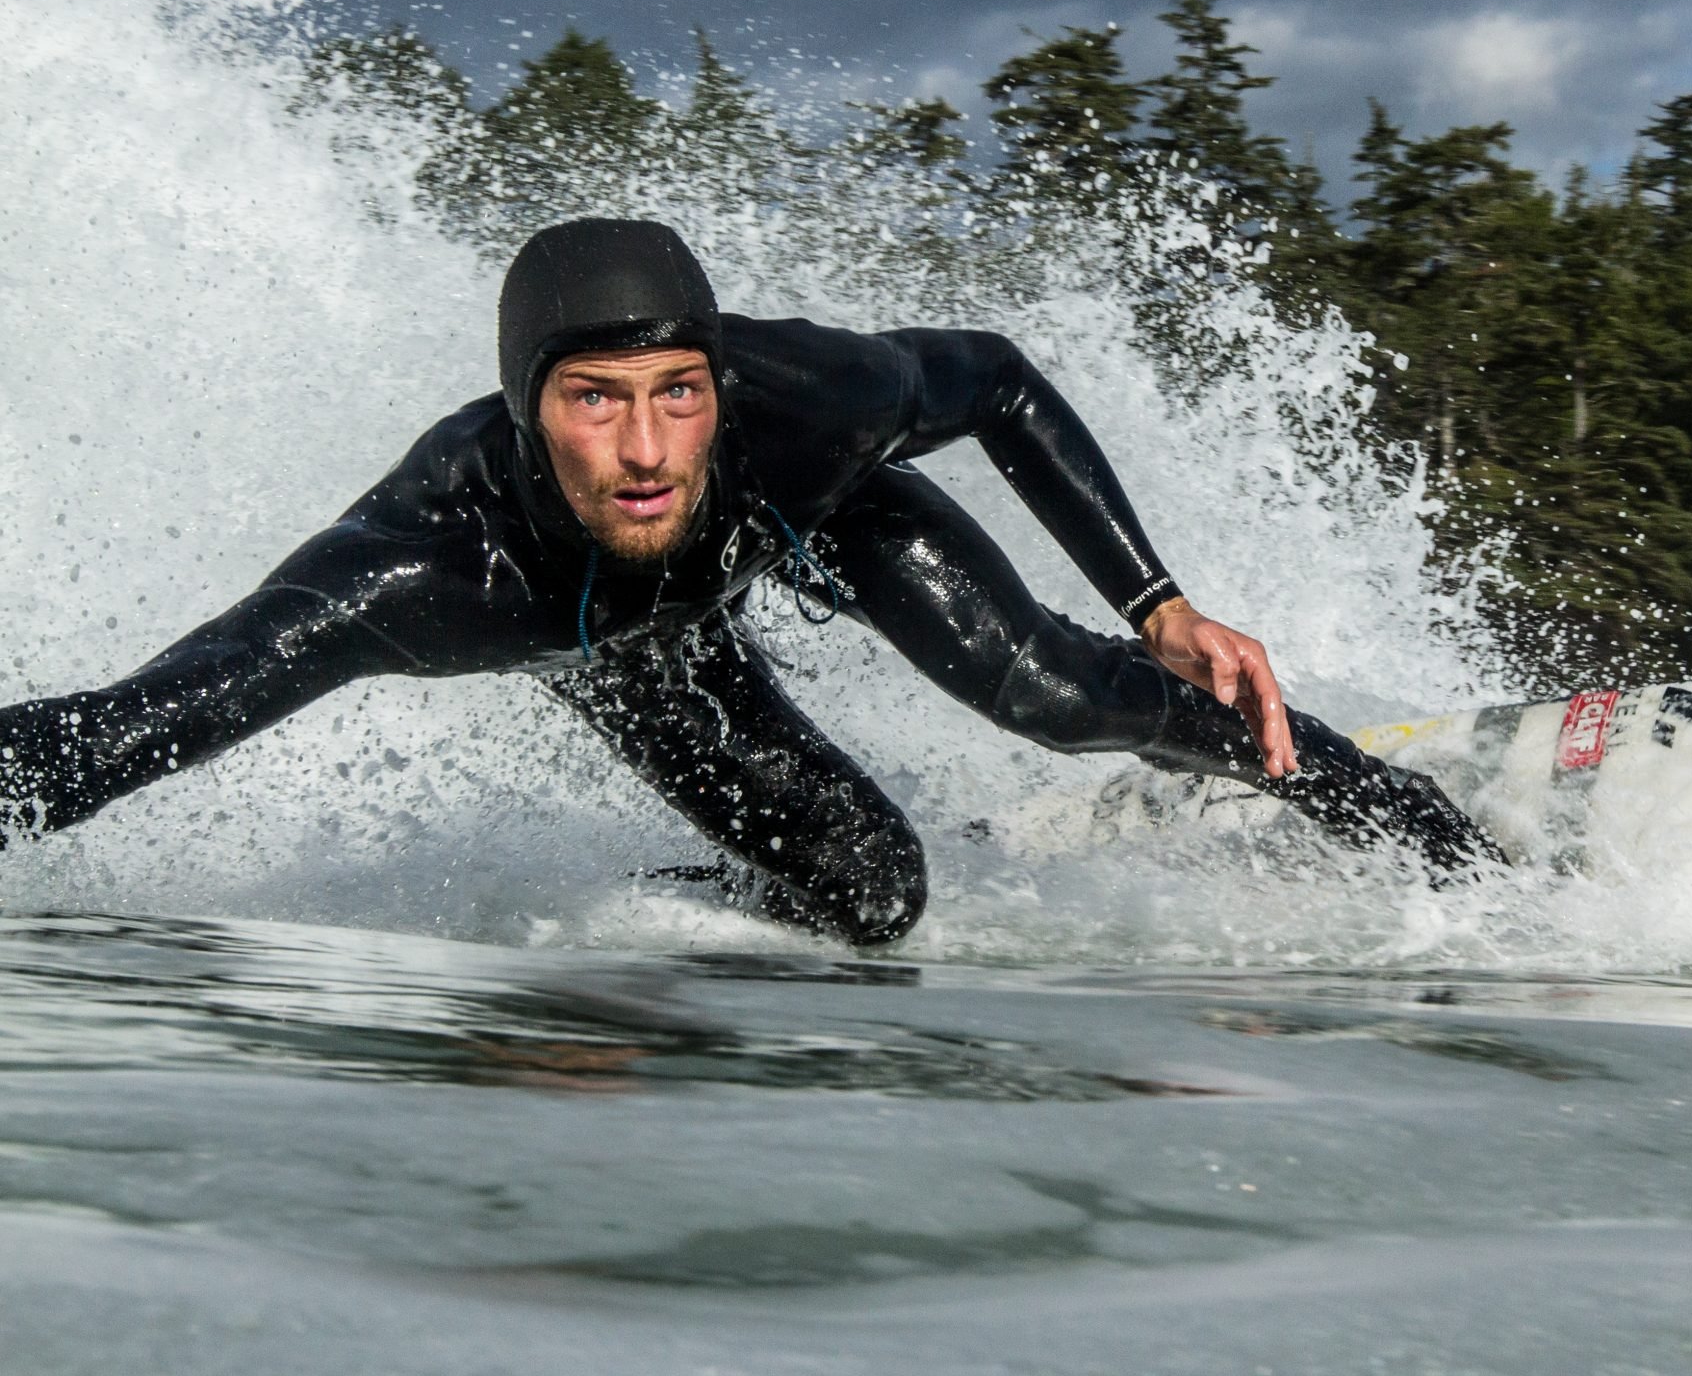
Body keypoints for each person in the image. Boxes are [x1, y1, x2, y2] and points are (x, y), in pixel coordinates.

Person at [0, 218, 1495, 942]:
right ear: (526, 410)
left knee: (1044, 687)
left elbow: (1004, 385)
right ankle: (688, 914)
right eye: (596, 399)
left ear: (720, 383)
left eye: (676, 392)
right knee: (876, 896)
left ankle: (1435, 843)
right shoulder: (422, 568)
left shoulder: (807, 402)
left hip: (814, 521)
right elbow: (126, 729)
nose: (647, 447)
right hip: (627, 653)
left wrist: (1158, 603)